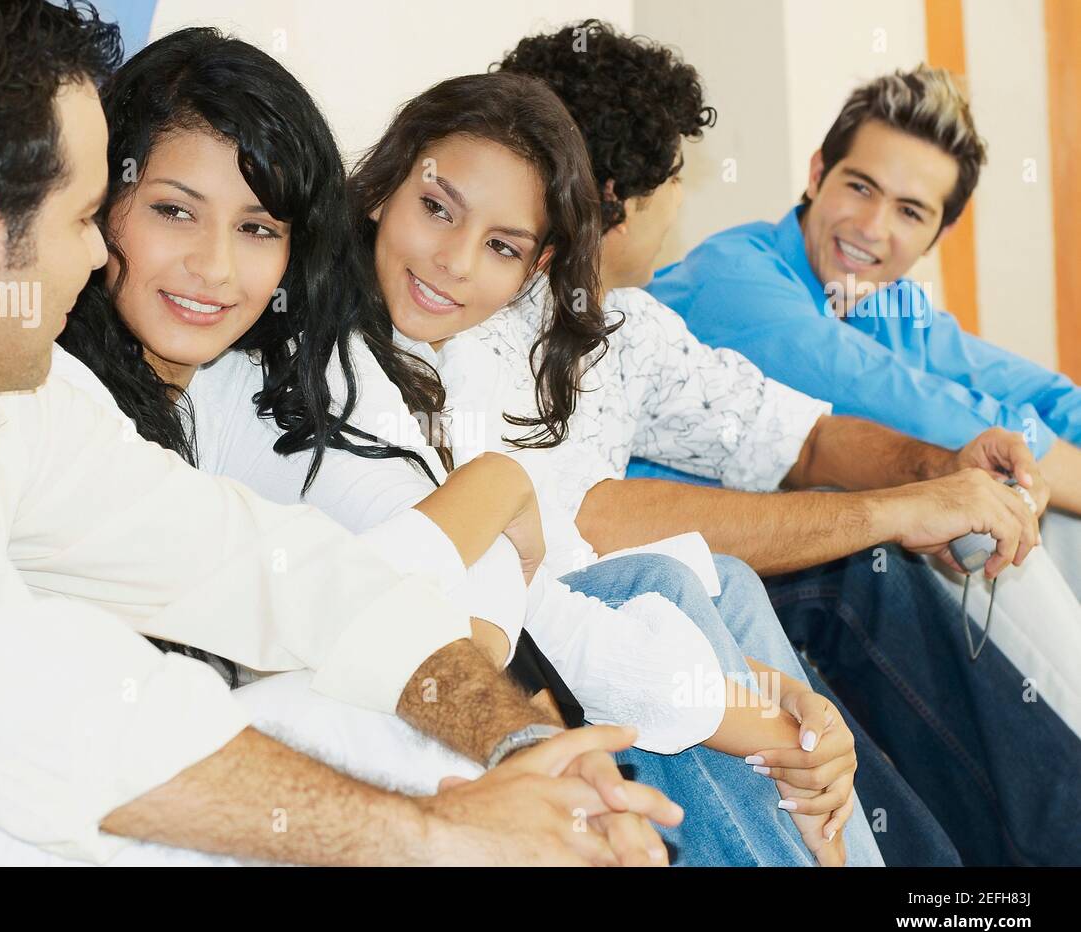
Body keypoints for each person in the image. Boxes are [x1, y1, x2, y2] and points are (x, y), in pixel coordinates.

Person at [0, 0, 678, 868]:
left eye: (257, 228)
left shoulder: (5, 402)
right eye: (89, 217)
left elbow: (264, 566)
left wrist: (517, 741)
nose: (99, 257)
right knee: (251, 775)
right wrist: (443, 832)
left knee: (364, 736)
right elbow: (46, 718)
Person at [54, 34, 886, 865]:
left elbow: (522, 575)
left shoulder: (423, 361)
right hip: (309, 750)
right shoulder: (279, 374)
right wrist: (497, 491)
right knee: (659, 626)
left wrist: (754, 694)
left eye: (257, 227)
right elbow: (439, 610)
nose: (214, 267)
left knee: (684, 607)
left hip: (414, 692)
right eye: (174, 210)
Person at [471, 19, 1081, 865]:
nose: (875, 226)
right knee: (809, 571)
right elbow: (586, 525)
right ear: (617, 200)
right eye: (677, 180)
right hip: (579, 630)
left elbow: (804, 438)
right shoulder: (504, 314)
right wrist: (904, 502)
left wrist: (941, 469)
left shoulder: (624, 323)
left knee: (883, 554)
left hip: (683, 593)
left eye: (911, 211)